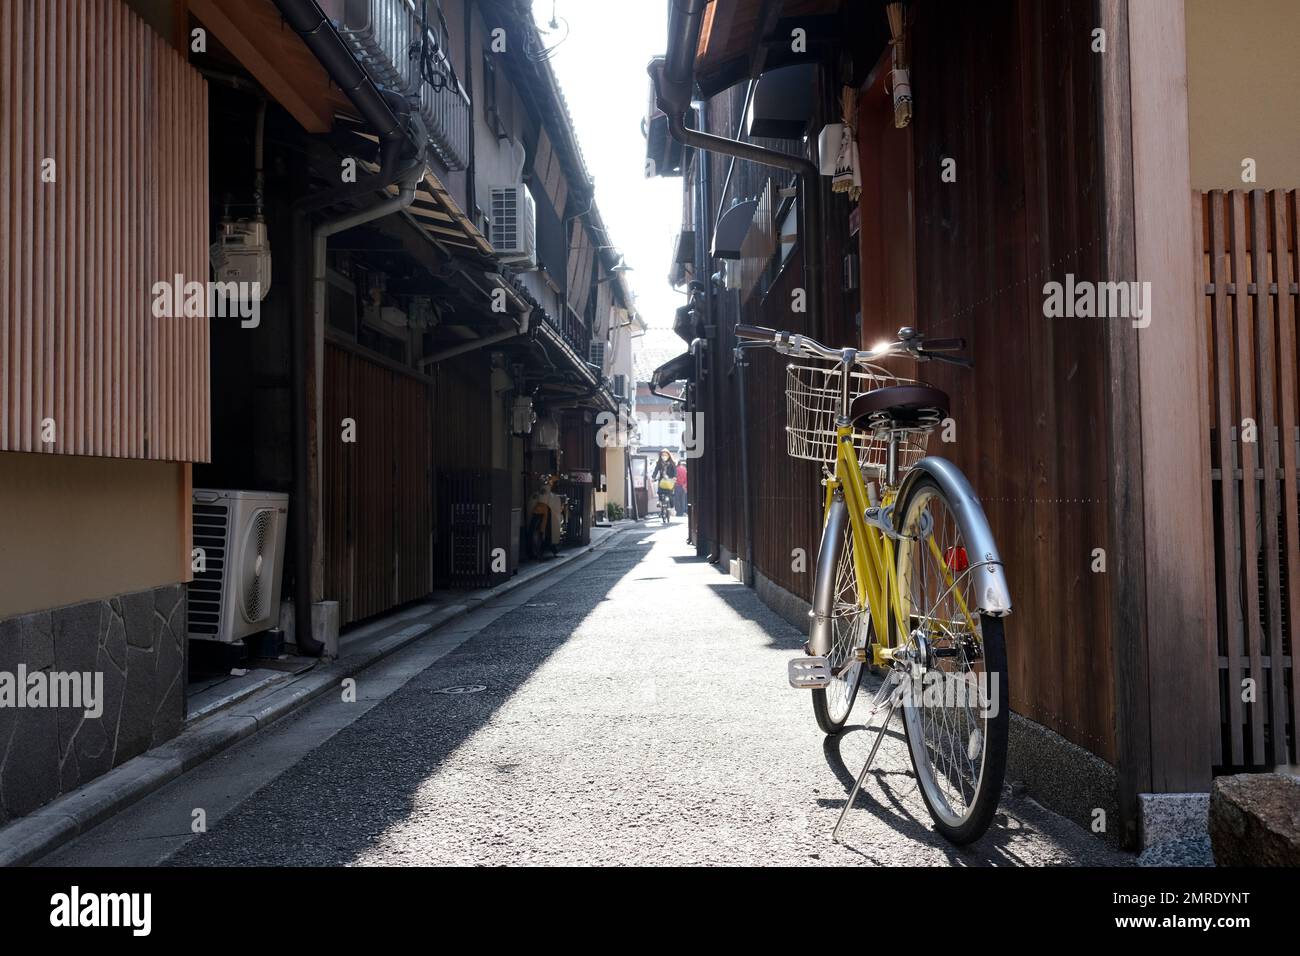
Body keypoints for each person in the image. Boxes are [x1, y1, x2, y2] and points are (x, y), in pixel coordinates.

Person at [651, 450, 677, 518]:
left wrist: (674, 477)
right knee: (660, 492)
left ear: (669, 455)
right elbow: (656, 470)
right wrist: (653, 477)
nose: (664, 456)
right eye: (663, 455)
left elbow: (675, 471)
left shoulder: (672, 463)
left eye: (665, 455)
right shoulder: (659, 463)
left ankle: (671, 507)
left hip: (670, 480)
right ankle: (660, 502)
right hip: (662, 480)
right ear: (660, 456)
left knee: (671, 494)